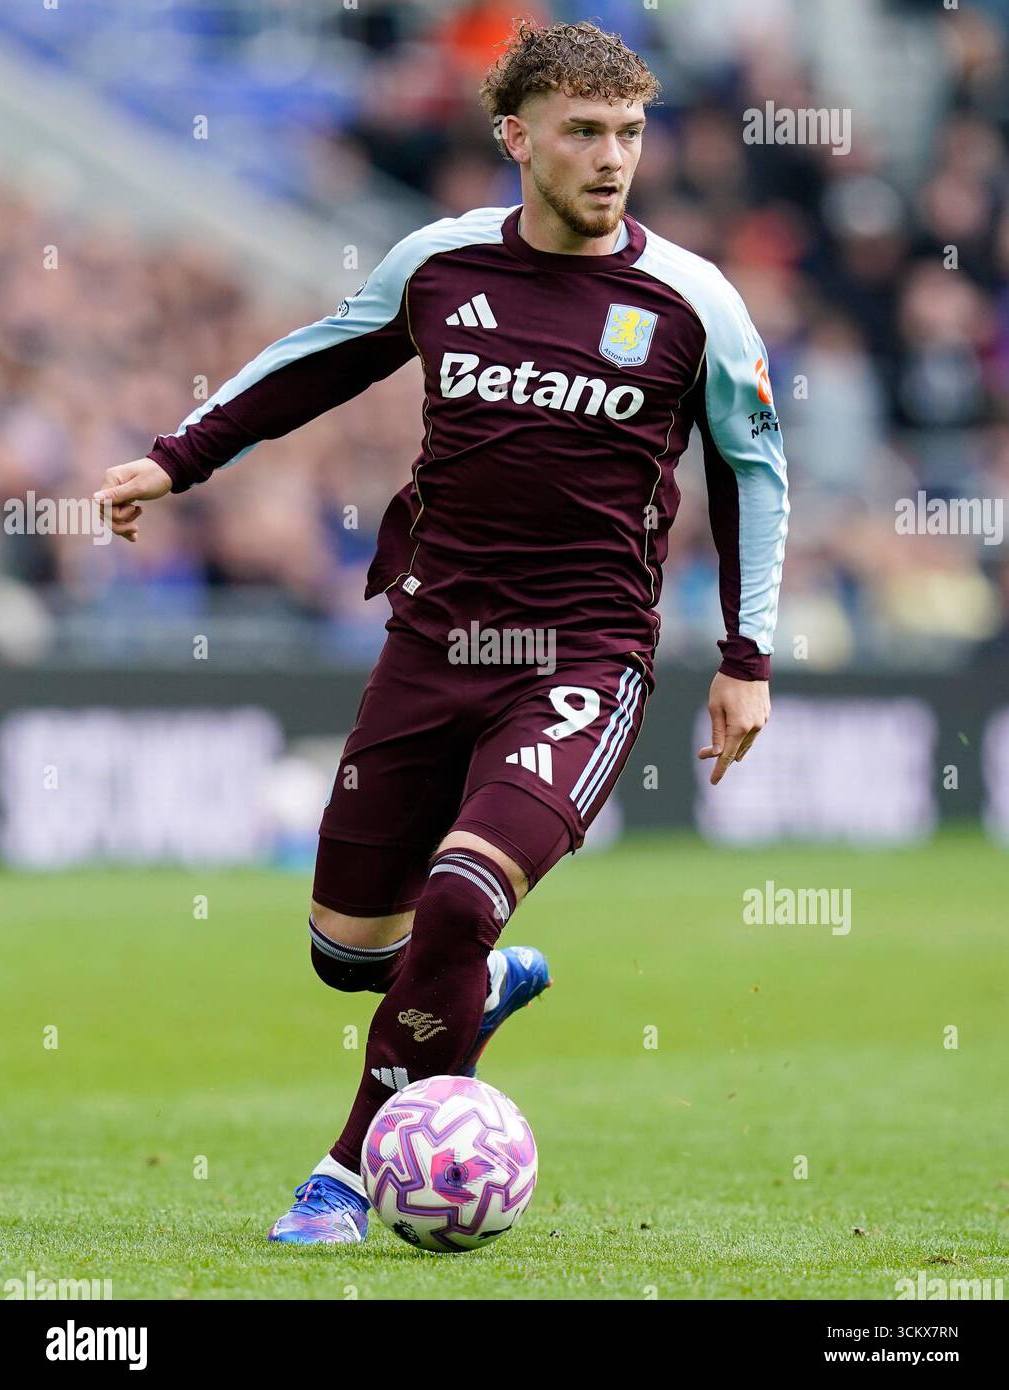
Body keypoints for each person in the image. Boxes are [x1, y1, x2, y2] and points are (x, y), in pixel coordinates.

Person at [94, 19, 789, 1246]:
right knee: (349, 955)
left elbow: (749, 472)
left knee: (461, 900)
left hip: (582, 659)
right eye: (582, 131)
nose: (611, 157)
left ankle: (343, 1174)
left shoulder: (694, 301)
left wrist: (744, 659)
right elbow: (313, 364)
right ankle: (479, 988)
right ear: (516, 139)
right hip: (431, 646)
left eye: (628, 132)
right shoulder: (437, 264)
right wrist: (173, 460)